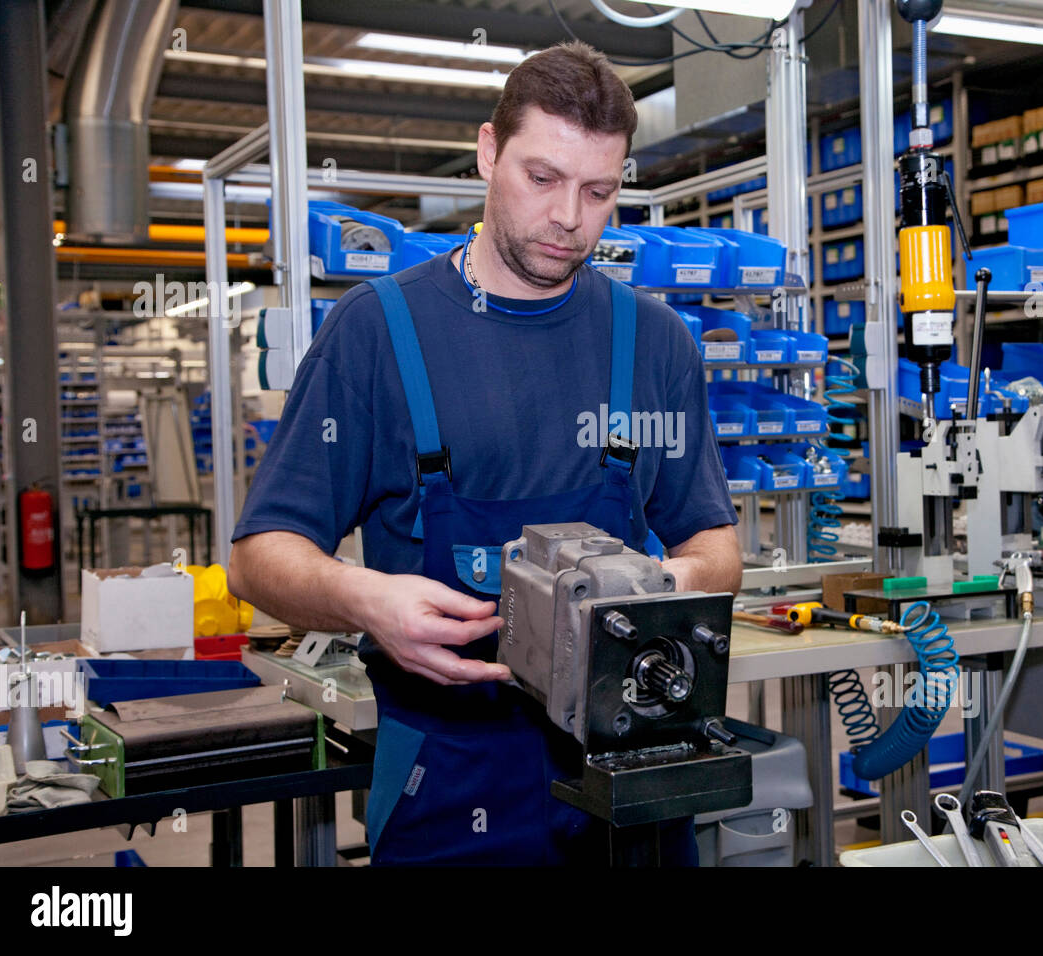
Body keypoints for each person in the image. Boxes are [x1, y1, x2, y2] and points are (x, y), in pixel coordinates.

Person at [228, 40, 742, 866]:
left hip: (632, 780)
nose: (570, 217)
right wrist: (365, 600)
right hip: (452, 782)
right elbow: (258, 558)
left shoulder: (654, 342)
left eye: (598, 191)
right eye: (542, 179)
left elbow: (714, 548)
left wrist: (649, 589)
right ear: (487, 152)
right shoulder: (375, 333)